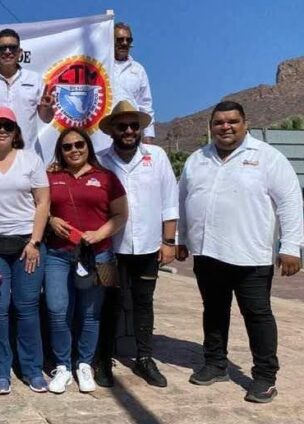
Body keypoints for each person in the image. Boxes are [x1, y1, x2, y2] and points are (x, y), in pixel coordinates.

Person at [176, 101, 304, 403]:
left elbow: (290, 202)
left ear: (245, 123)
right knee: (214, 311)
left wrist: (291, 247)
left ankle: (265, 377)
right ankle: (215, 364)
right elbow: (182, 200)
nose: (226, 127)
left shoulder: (267, 157)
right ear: (211, 126)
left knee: (257, 316)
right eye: (219, 122)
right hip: (208, 253)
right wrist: (180, 238)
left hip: (251, 255)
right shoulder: (197, 159)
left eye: (232, 121)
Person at [95, 100, 178, 388]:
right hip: (109, 251)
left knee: (144, 303)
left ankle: (144, 358)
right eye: (122, 126)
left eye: (133, 126)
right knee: (109, 303)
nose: (129, 131)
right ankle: (103, 359)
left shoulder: (157, 157)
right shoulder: (100, 161)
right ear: (112, 131)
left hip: (148, 247)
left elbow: (170, 201)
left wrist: (169, 241)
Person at [0, 106, 50, 394]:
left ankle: (32, 369)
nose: (2, 130)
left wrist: (35, 242)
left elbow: (43, 202)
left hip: (27, 245)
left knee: (27, 308)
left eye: (8, 125)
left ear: (16, 132)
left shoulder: (31, 160)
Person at [44, 127, 128, 394]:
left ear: (88, 147)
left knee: (91, 314)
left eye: (79, 144)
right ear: (60, 151)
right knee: (57, 310)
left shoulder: (106, 177)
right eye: (67, 146)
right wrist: (51, 220)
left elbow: (121, 215)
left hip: (98, 254)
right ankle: (63, 366)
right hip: (58, 255)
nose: (74, 150)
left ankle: (84, 364)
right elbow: (38, 207)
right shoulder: (51, 177)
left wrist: (99, 234)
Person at [0, 29, 54, 159]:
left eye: (12, 47)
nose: (7, 51)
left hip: (27, 155)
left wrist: (47, 107)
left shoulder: (35, 79)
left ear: (20, 52)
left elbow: (46, 118)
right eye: (2, 48)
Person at [112, 22, 155, 143]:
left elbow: (145, 104)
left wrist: (148, 135)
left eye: (128, 40)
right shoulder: (100, 68)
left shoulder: (138, 70)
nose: (125, 43)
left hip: (130, 133)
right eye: (120, 39)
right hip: (105, 133)